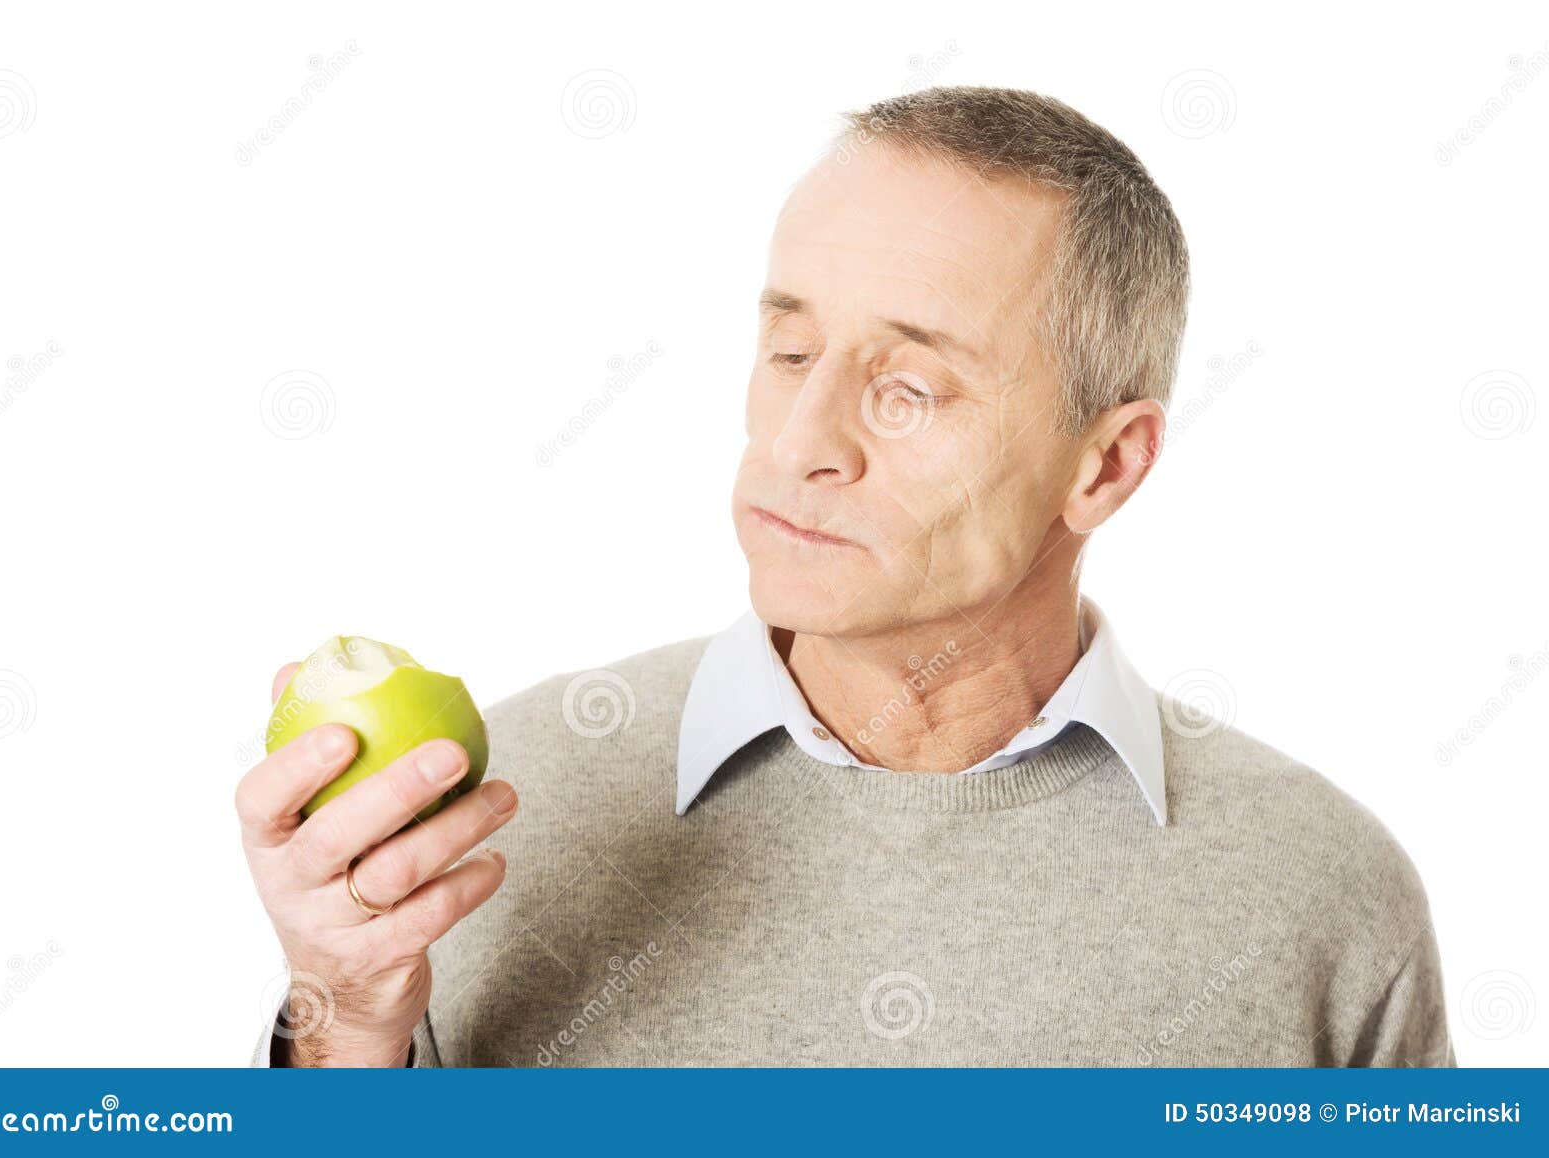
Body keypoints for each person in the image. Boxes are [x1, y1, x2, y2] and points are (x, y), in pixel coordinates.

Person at [239, 86, 1453, 1067]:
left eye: (908, 388)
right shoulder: (490, 819)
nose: (799, 440)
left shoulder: (1319, 895)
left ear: (1104, 466)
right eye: (789, 350)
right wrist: (344, 1019)